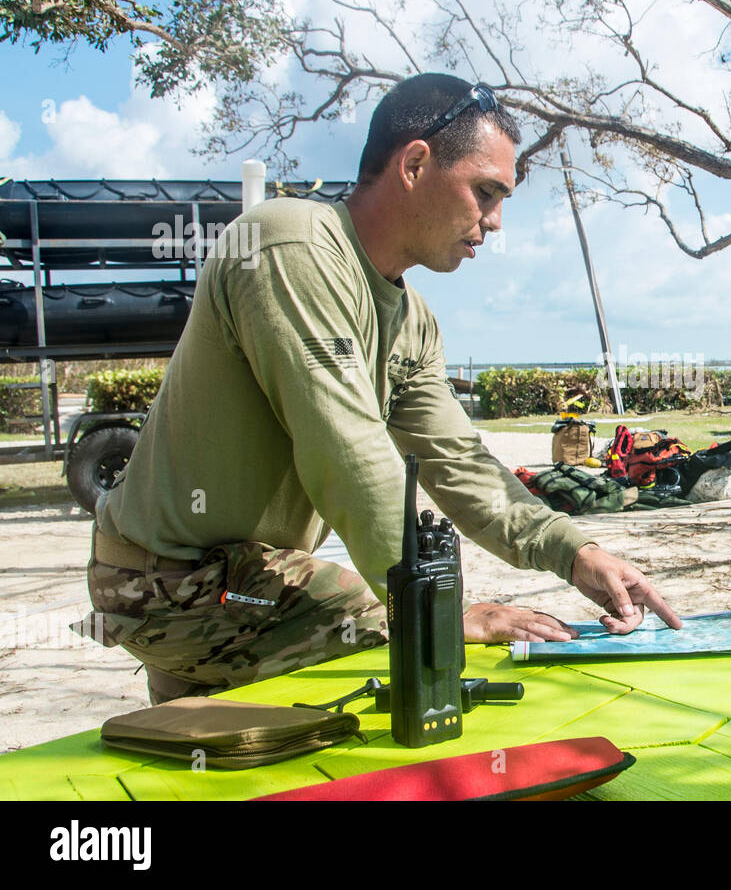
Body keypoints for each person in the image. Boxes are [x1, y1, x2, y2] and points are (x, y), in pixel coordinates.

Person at [75, 74, 681, 703]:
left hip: (243, 578)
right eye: (485, 191)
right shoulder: (291, 244)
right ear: (415, 164)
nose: (495, 222)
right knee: (440, 669)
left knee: (216, 768)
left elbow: (460, 466)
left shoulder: (411, 321)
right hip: (174, 581)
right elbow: (349, 454)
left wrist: (575, 551)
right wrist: (444, 610)